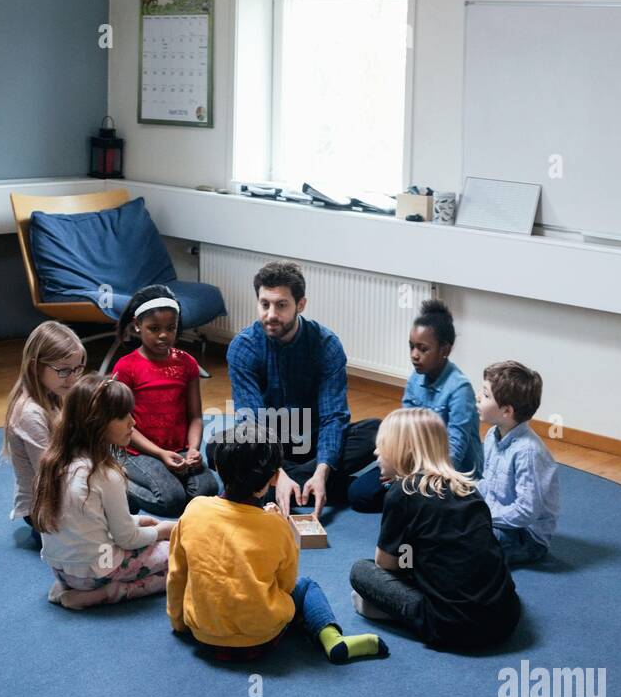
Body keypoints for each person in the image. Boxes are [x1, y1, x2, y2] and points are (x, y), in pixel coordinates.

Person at [168, 423, 388, 663]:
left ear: (218, 467)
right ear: (274, 478)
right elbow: (286, 584)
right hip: (262, 638)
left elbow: (177, 573)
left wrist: (179, 622)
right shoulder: (277, 527)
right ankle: (332, 638)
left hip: (204, 634)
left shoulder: (194, 510)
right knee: (306, 587)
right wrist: (276, 523)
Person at [219, 260, 379, 518]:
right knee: (220, 444)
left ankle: (294, 484)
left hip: (313, 441)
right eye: (264, 304)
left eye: (281, 305)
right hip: (268, 442)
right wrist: (277, 471)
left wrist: (322, 469)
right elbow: (251, 420)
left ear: (300, 305)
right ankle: (314, 485)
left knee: (376, 432)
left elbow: (333, 416)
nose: (271, 314)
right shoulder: (243, 347)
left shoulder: (326, 345)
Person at [349, 408, 520, 650]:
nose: (376, 452)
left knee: (360, 572)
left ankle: (414, 616)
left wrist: (410, 559)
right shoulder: (468, 488)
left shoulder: (403, 492)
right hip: (505, 618)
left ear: (403, 450)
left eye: (382, 446)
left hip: (452, 626)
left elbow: (384, 564)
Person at [34, 374, 175, 610]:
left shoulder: (54, 462)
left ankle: (75, 588)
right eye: (122, 417)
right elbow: (127, 539)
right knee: (183, 556)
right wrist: (162, 531)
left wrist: (138, 520)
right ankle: (109, 592)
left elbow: (90, 519)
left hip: (62, 570)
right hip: (99, 570)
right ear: (95, 423)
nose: (133, 422)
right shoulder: (104, 473)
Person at [348, 298, 480, 512]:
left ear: (444, 350)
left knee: (412, 503)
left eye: (423, 349)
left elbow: (455, 453)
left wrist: (413, 478)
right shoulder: (414, 379)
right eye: (411, 347)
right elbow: (403, 432)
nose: (414, 355)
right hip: (414, 464)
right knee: (358, 494)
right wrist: (395, 466)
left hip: (448, 472)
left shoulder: (460, 389)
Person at [111, 284, 218, 517]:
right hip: (138, 451)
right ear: (137, 326)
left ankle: (169, 472)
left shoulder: (187, 363)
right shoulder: (126, 367)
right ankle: (115, 483)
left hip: (178, 448)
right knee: (171, 500)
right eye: (154, 328)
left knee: (208, 490)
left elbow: (196, 417)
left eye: (171, 328)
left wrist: (192, 450)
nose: (163, 335)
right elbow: (121, 425)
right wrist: (160, 454)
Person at [1, 321, 86, 547]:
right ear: (34, 367)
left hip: (66, 489)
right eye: (64, 370)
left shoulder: (57, 392)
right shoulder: (30, 413)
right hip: (44, 507)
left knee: (123, 498)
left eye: (78, 368)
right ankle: (50, 535)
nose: (72, 378)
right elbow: (51, 475)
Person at [477, 360, 560, 565]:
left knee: (463, 543)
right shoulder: (491, 435)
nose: (478, 396)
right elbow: (486, 483)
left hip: (525, 536)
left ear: (507, 411)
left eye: (486, 395)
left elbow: (525, 512)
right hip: (496, 519)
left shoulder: (528, 452)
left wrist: (480, 517)